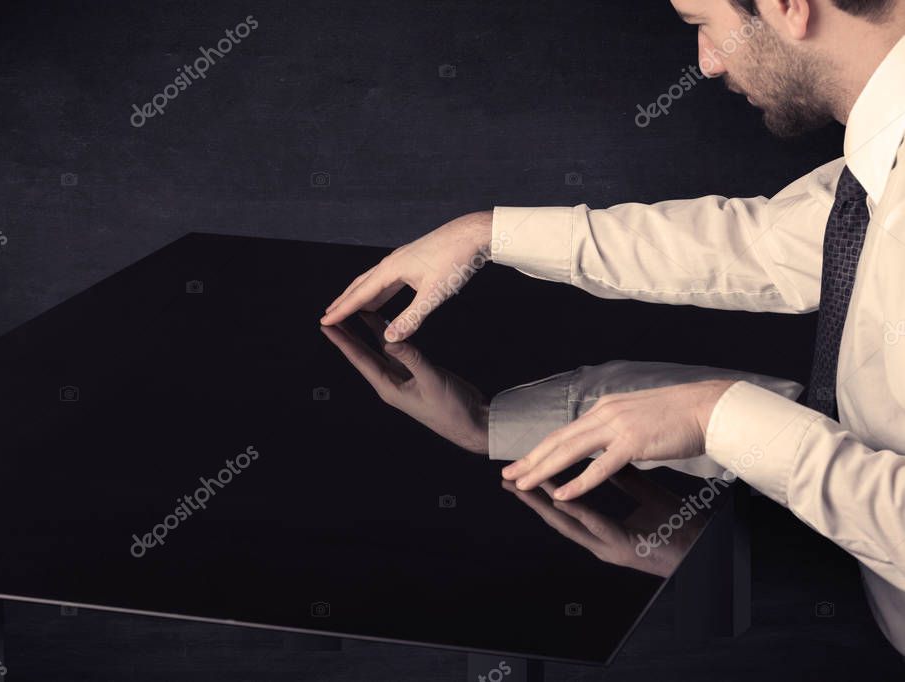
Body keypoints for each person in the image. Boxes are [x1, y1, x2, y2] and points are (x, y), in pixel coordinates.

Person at [320, 0, 905, 651]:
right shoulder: (885, 160)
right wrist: (489, 235)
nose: (706, 63)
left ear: (787, 6)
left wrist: (720, 417)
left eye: (699, 23)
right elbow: (766, 244)